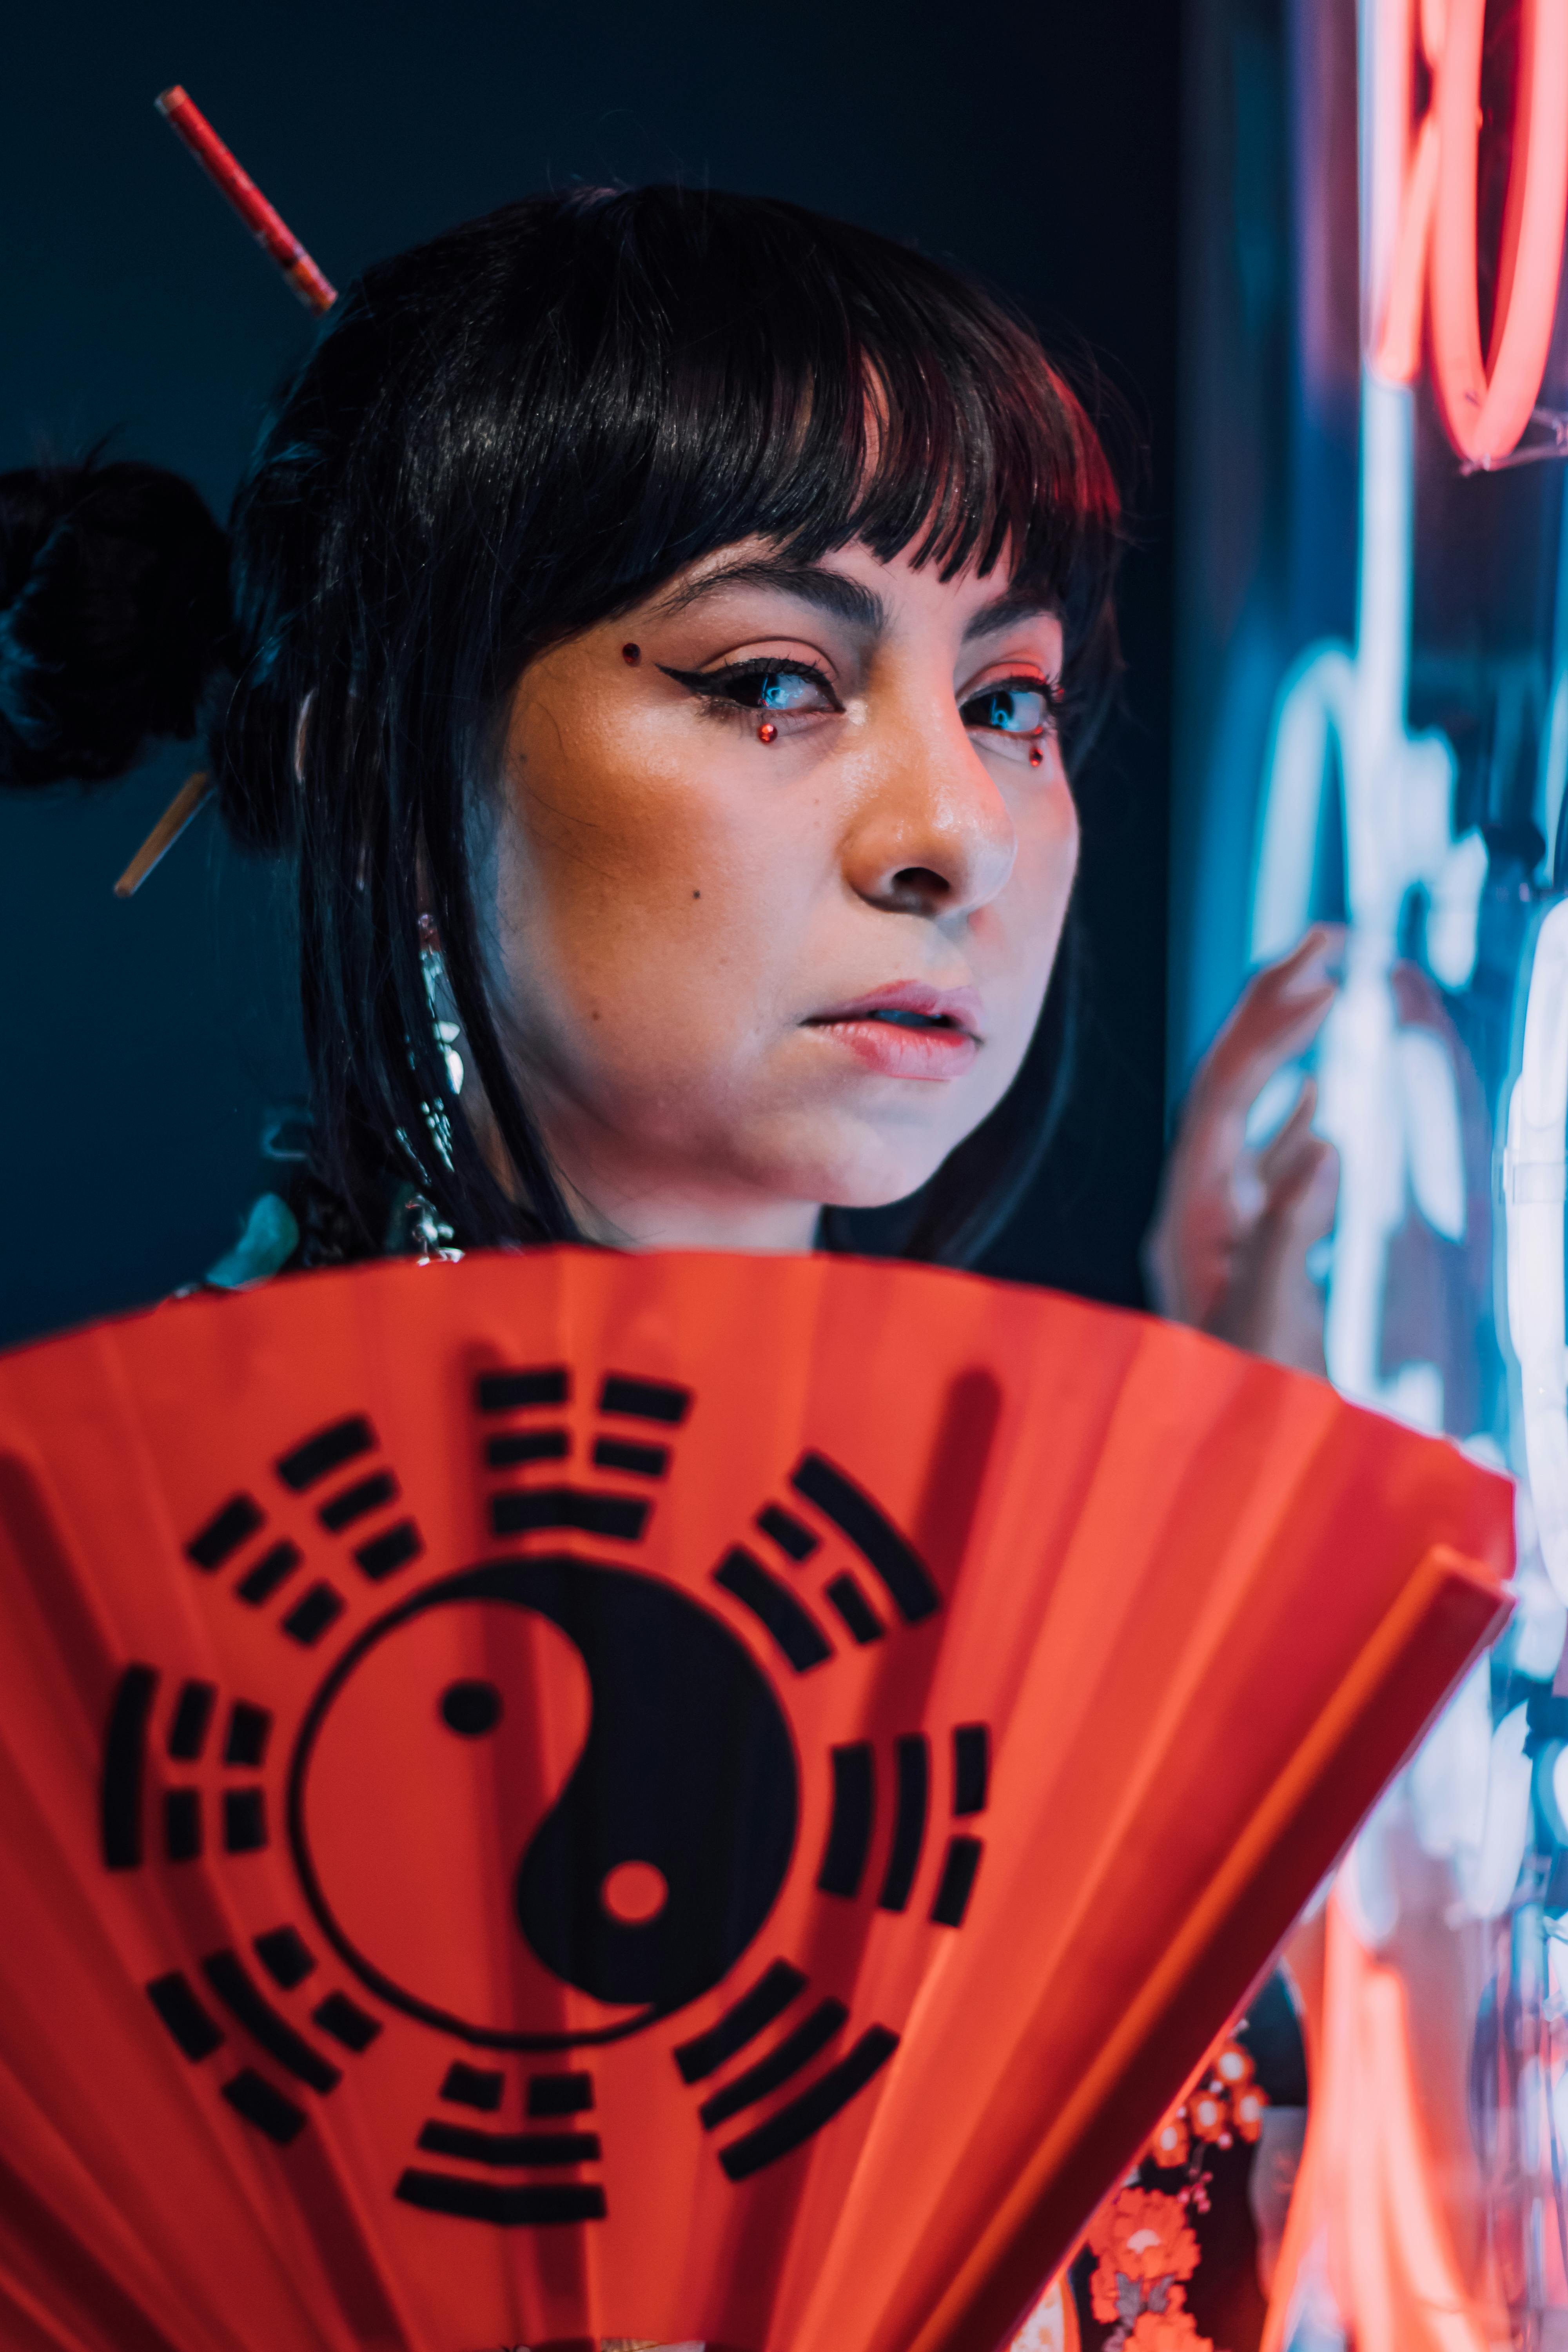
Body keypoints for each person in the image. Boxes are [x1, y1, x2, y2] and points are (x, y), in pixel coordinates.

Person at [0, 183, 1339, 2345]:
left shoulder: (992, 1546)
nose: (956, 833)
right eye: (775, 682)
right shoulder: (175, 1657)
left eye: (1013, 700)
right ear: (390, 792)